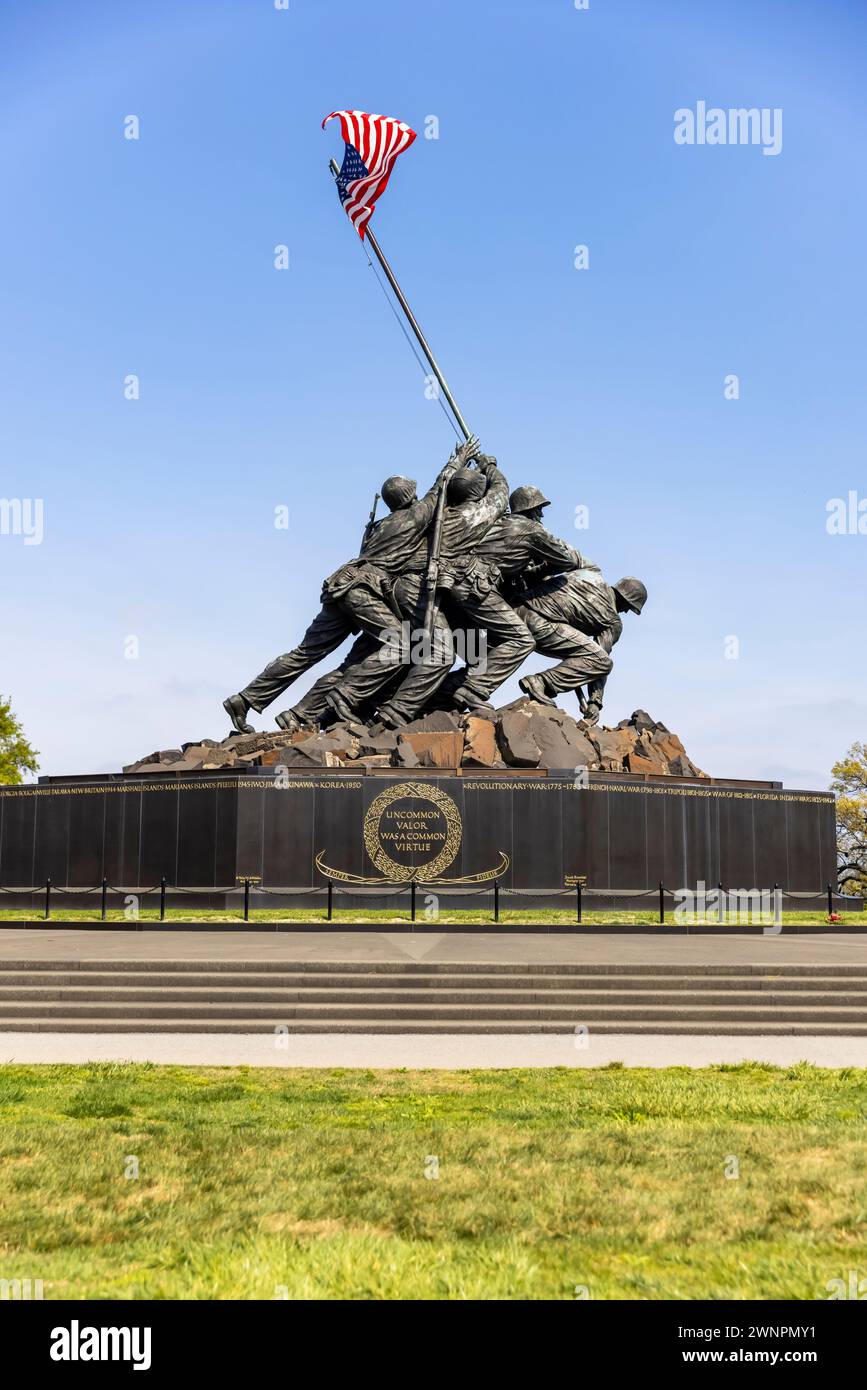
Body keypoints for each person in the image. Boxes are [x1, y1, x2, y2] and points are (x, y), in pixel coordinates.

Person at [221, 443, 471, 734]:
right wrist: (458, 461)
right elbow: (440, 488)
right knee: (403, 644)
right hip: (362, 590)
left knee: (306, 653)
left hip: (340, 585)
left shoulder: (380, 526)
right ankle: (346, 695)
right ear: (410, 496)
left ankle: (247, 698)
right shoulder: (414, 517)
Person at [515, 569, 647, 724]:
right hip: (540, 624)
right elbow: (599, 659)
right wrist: (594, 702)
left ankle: (477, 690)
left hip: (511, 609)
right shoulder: (613, 620)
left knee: (480, 641)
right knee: (602, 662)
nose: (625, 612)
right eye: (629, 607)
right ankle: (540, 682)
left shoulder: (588, 575)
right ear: (626, 599)